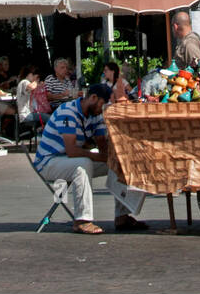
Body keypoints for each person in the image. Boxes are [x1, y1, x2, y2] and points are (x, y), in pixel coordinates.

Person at [32, 85, 148, 234]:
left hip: (68, 160)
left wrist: (113, 154)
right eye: (102, 104)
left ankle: (122, 216)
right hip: (49, 162)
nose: (102, 109)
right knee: (83, 164)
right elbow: (72, 151)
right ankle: (82, 220)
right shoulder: (68, 112)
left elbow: (103, 148)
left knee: (119, 163)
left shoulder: (96, 115)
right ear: (93, 98)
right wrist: (98, 156)